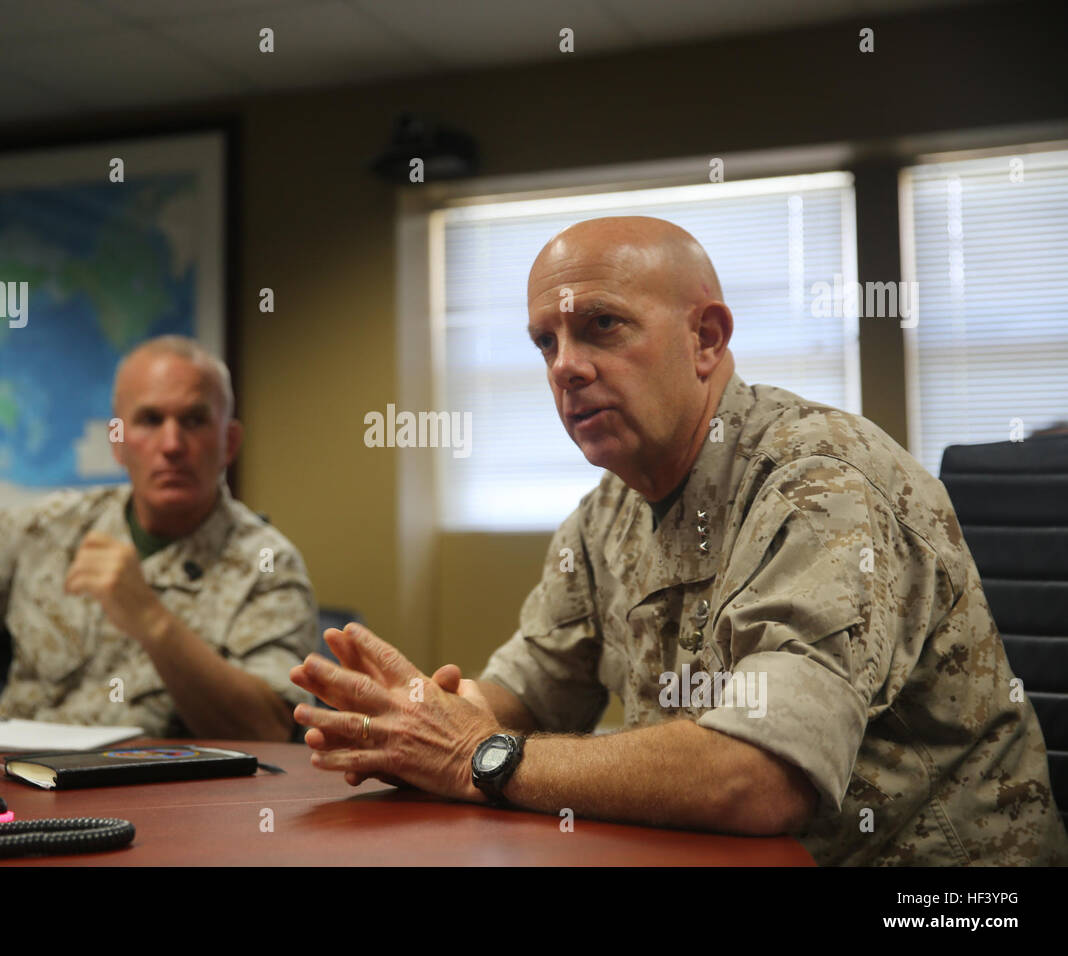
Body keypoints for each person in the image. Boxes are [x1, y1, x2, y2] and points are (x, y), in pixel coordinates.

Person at [290, 216, 1068, 865]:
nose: (565, 367)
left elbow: (759, 775)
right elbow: (529, 688)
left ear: (706, 338)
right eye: (545, 343)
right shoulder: (607, 512)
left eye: (600, 326)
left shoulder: (823, 483)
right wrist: (418, 717)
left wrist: (477, 758)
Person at [0, 336, 316, 740]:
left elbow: (271, 728)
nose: (171, 444)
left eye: (194, 420)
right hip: (12, 790)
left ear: (229, 442)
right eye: (150, 420)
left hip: (162, 800)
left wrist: (154, 623)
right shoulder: (42, 528)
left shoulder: (268, 565)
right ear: (118, 441)